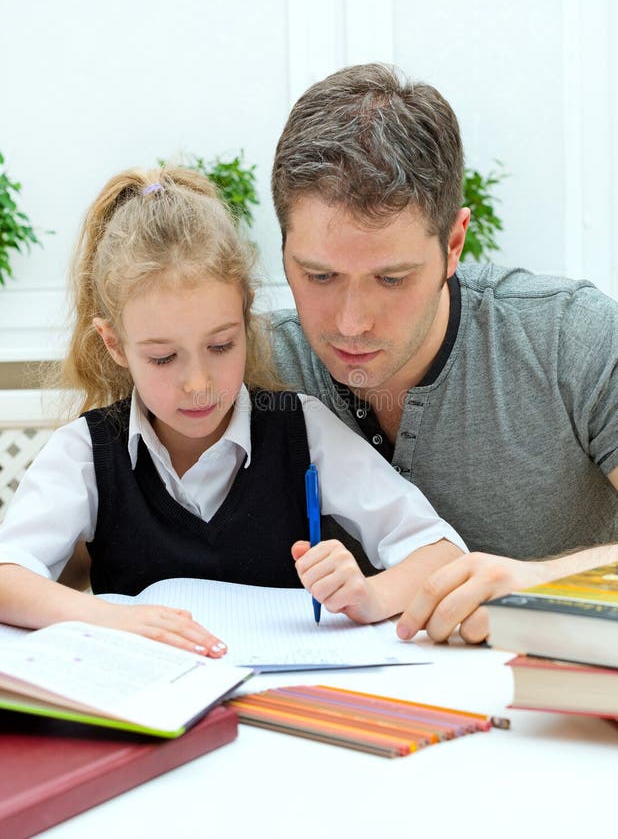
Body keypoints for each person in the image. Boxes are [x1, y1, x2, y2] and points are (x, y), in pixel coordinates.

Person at [0, 165, 467, 656]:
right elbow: (8, 574)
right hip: (146, 695)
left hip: (282, 691)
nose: (198, 383)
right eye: (163, 357)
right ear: (114, 344)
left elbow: (440, 553)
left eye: (221, 346)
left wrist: (370, 596)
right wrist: (112, 619)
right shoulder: (85, 451)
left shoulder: (302, 429)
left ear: (246, 316)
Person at [269, 62, 618, 645]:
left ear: (454, 243)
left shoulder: (569, 338)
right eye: (319, 276)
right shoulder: (249, 367)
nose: (351, 324)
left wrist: (539, 582)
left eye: (391, 279)